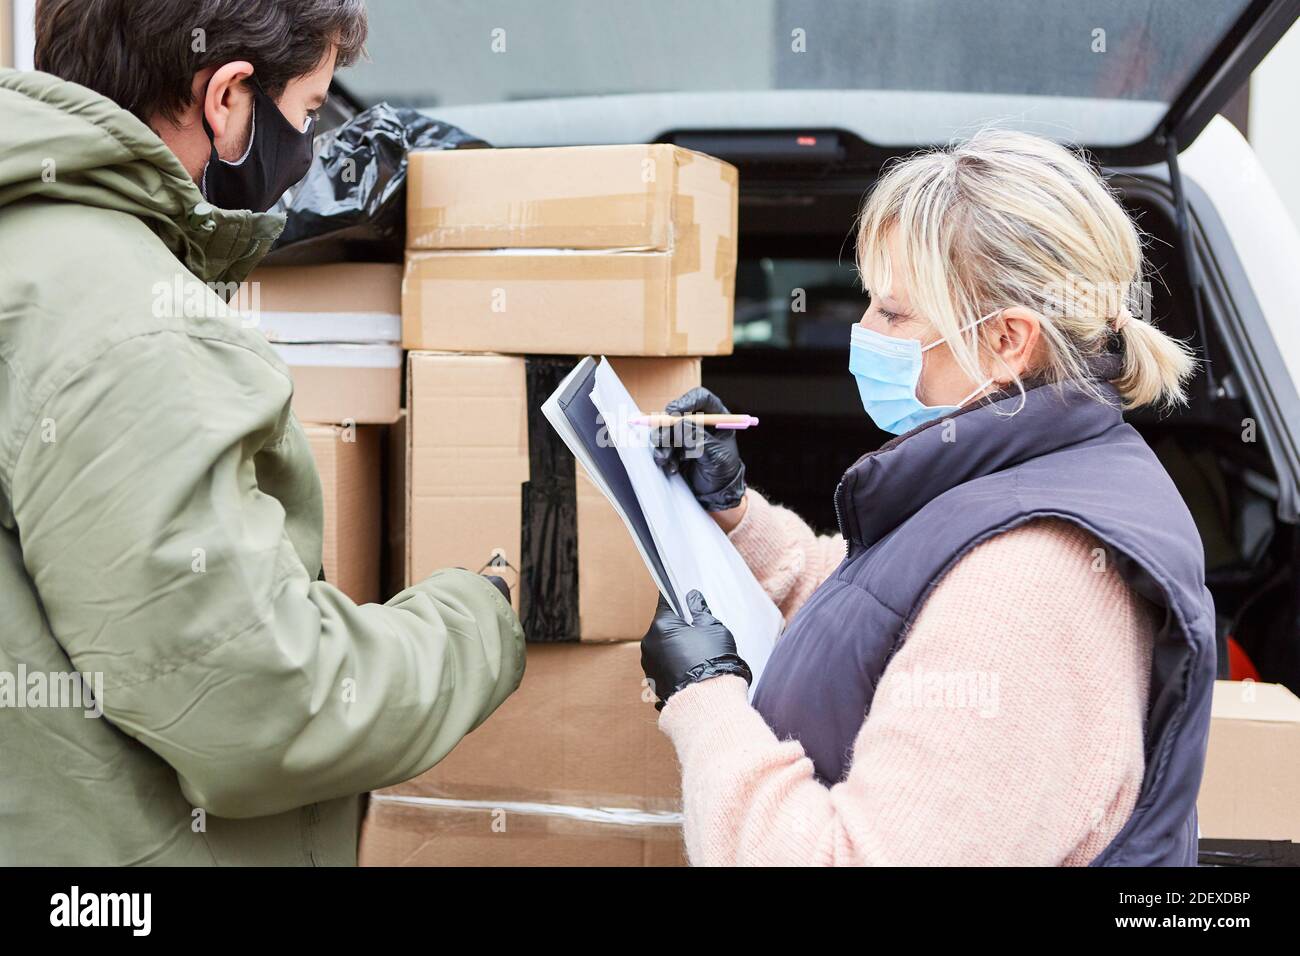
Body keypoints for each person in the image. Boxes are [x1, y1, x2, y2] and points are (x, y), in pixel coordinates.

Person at [0, 0, 523, 865]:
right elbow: (262, 709)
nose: (309, 150)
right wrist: (478, 618)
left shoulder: (33, 250)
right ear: (229, 97)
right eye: (310, 113)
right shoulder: (130, 327)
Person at [642, 130, 1216, 866]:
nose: (862, 332)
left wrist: (704, 699)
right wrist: (737, 516)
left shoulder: (1034, 581)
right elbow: (888, 622)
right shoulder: (1039, 476)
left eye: (893, 313)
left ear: (1009, 338)